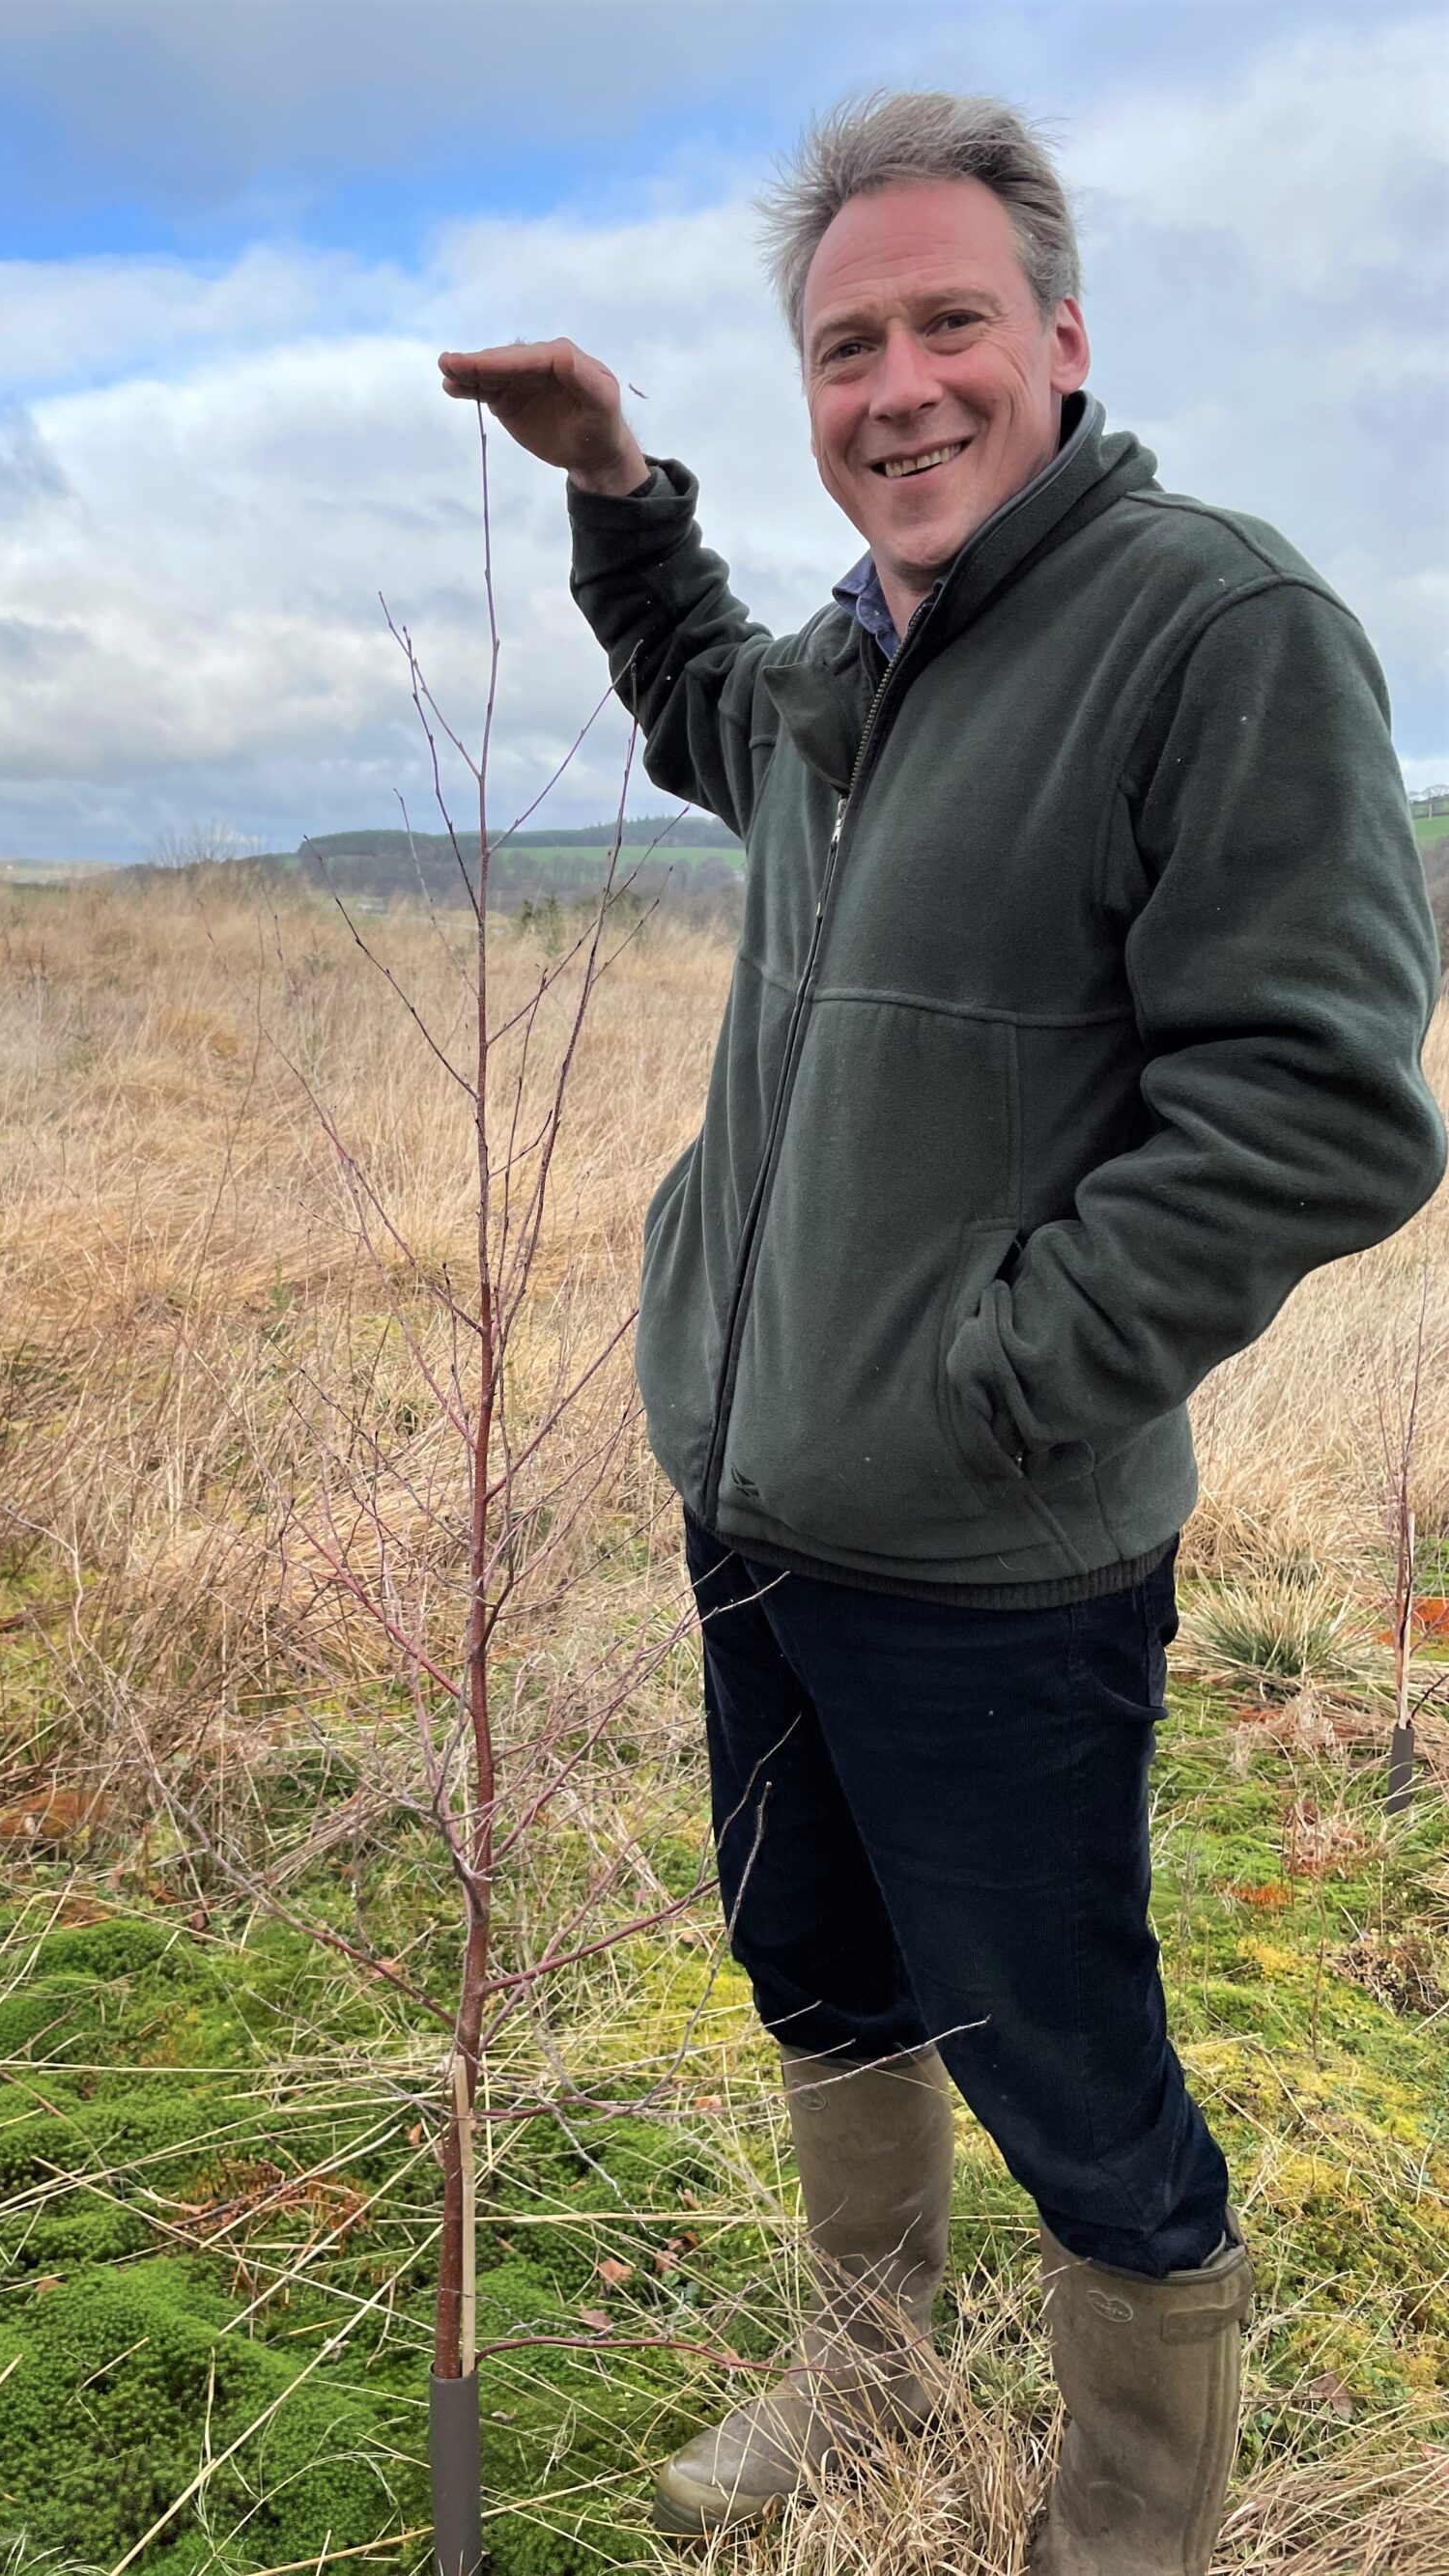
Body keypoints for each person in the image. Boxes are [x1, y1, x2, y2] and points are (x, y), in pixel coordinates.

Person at [439, 88, 1444, 2574]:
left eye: (946, 325)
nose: (895, 386)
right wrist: (613, 481)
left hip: (994, 1553)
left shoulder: (1217, 632)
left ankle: (1127, 2522)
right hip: (761, 1502)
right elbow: (699, 699)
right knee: (820, 1968)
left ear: (1062, 342)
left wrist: (990, 1381)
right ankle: (868, 2376)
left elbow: (1322, 1105)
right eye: (845, 345)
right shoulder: (853, 666)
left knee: (1059, 2049)